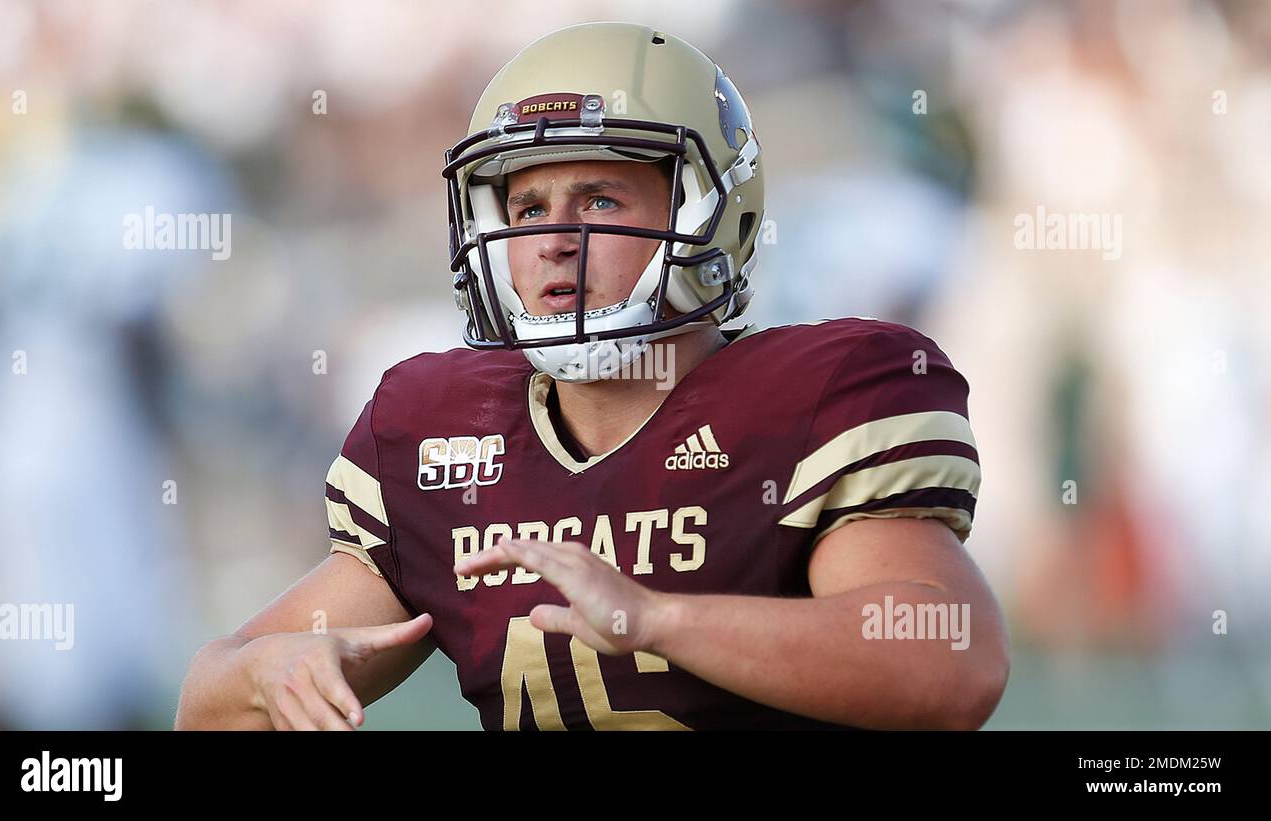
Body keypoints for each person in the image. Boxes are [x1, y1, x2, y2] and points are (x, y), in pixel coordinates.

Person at [176, 21, 1008, 731]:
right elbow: (211, 697)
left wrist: (660, 618)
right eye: (528, 208)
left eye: (600, 200)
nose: (550, 240)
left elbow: (953, 662)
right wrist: (267, 675)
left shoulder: (813, 397)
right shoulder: (442, 431)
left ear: (710, 210)